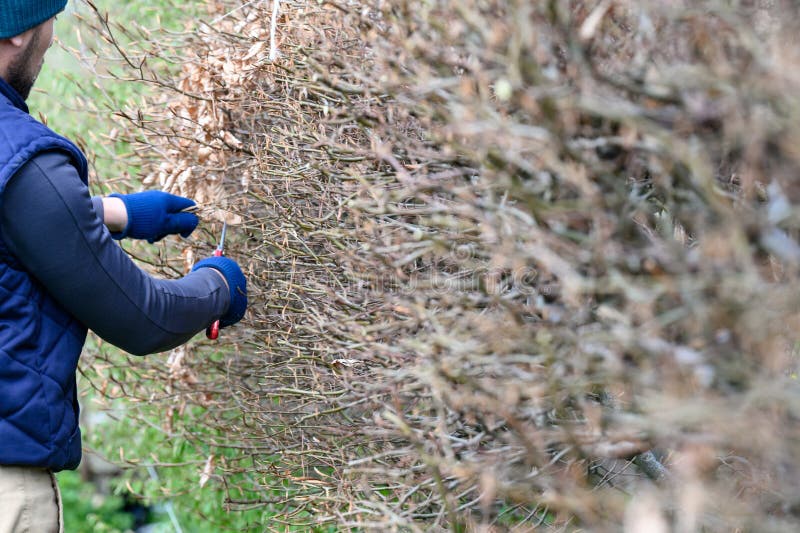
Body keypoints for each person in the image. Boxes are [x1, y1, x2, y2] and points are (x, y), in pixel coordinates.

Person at [0, 2, 248, 531]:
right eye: (49, 22)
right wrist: (220, 287)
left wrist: (115, 212)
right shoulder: (22, 158)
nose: (50, 39)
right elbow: (144, 317)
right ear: (17, 34)